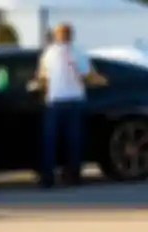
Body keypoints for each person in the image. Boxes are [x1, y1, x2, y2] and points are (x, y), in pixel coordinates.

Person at [35, 23, 105, 188]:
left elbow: (42, 77)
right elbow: (88, 75)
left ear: (56, 35)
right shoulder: (78, 53)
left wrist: (43, 91)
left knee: (50, 141)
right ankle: (73, 175)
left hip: (55, 101)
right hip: (74, 100)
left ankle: (48, 177)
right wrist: (103, 81)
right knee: (74, 140)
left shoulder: (48, 53)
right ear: (71, 35)